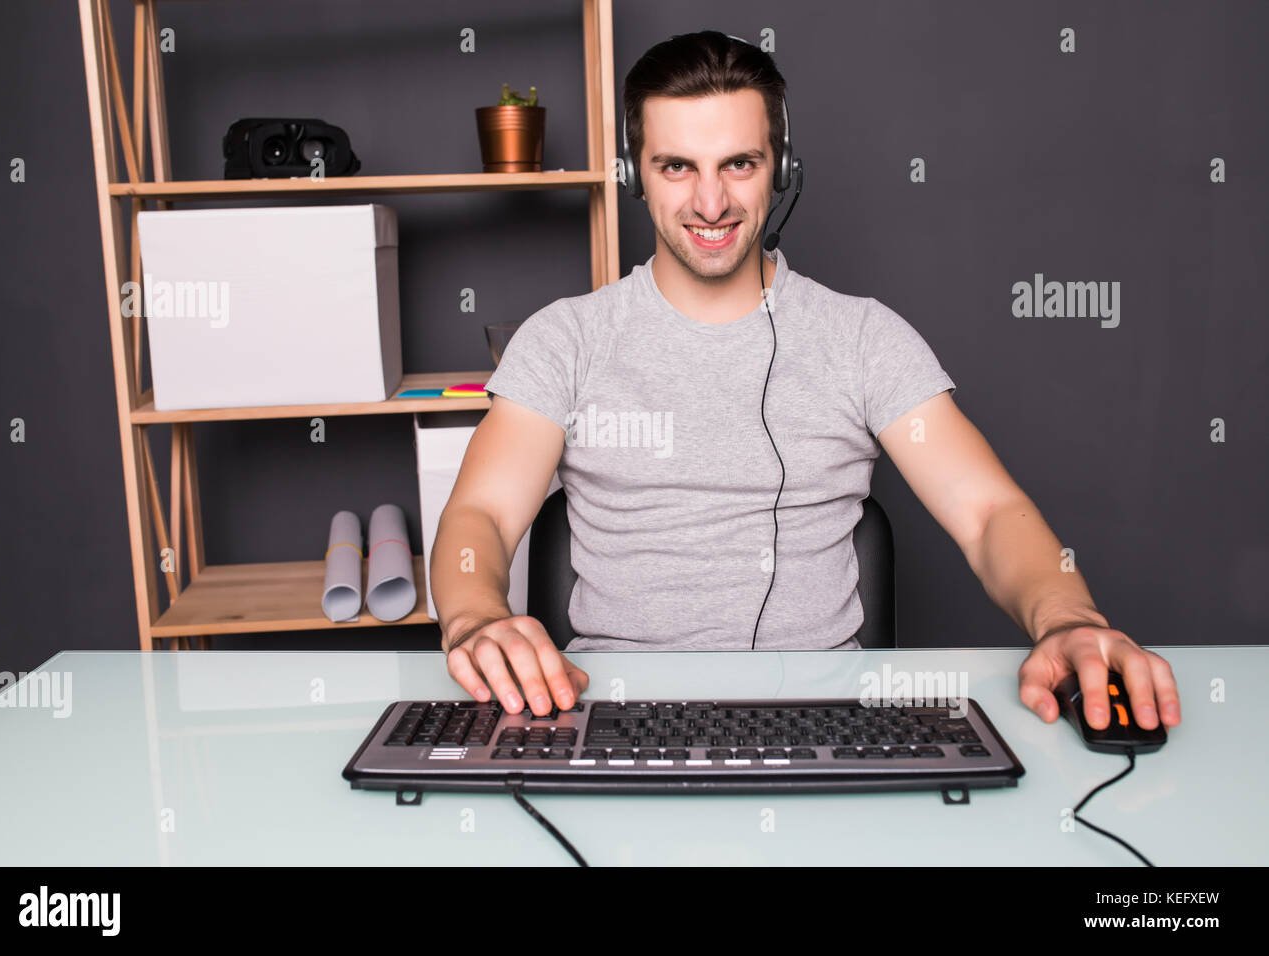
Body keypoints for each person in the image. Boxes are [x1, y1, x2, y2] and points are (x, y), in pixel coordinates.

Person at [429, 31, 1181, 739]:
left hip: (831, 722)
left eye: (739, 164)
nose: (712, 203)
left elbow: (988, 512)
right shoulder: (566, 340)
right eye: (677, 166)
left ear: (782, 168)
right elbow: (484, 516)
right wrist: (474, 619)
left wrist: (1068, 619)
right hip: (611, 717)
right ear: (633, 175)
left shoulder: (862, 338)